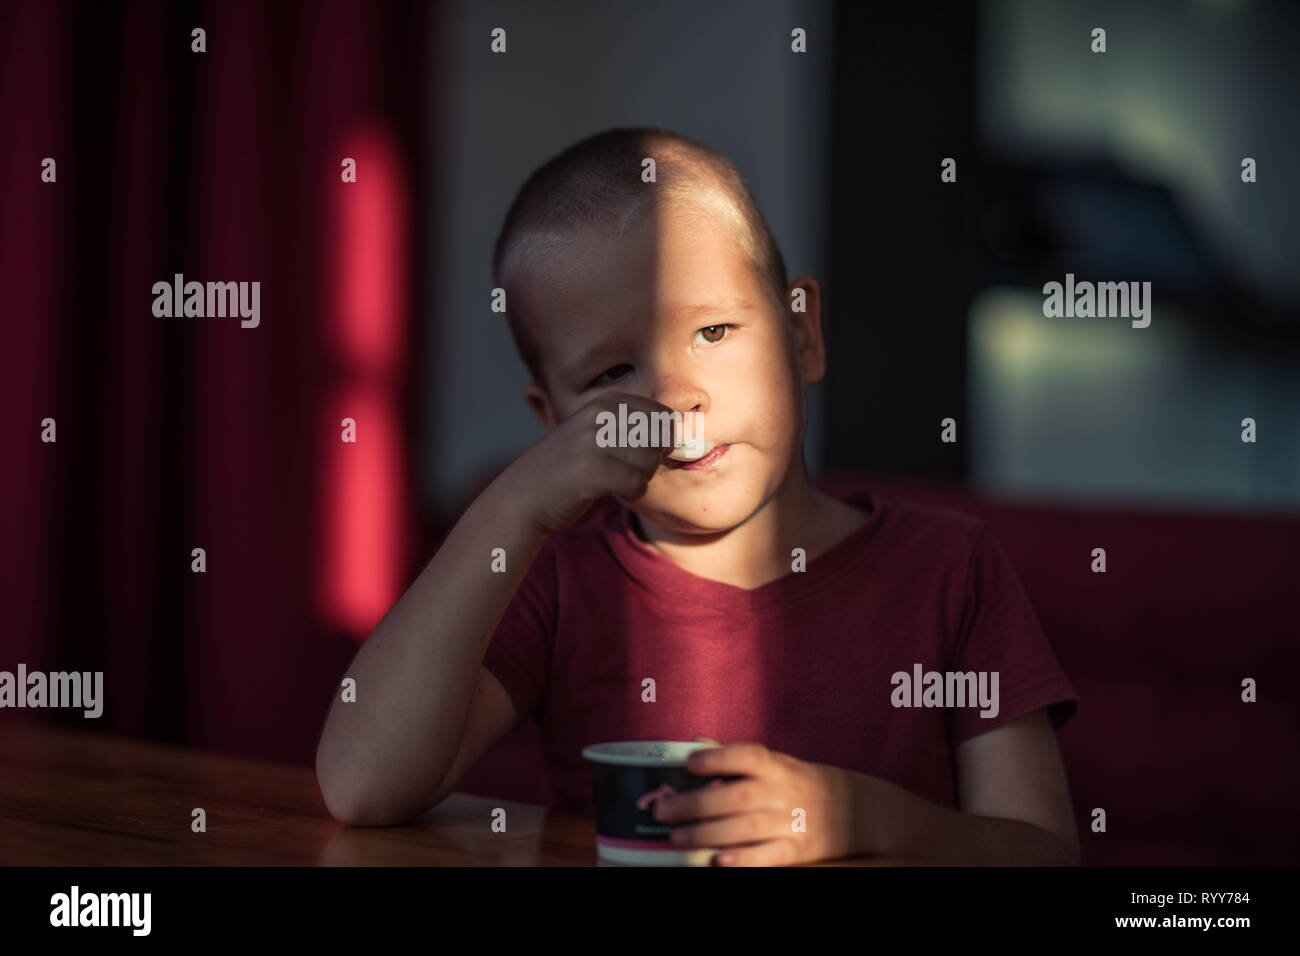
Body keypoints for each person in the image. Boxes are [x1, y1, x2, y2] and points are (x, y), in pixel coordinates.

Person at [316, 127, 1080, 866]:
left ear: (802, 334)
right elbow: (362, 785)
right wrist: (514, 502)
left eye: (713, 331)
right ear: (553, 424)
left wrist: (863, 817)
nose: (676, 398)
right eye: (612, 374)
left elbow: (1043, 852)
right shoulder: (560, 583)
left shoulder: (950, 569)